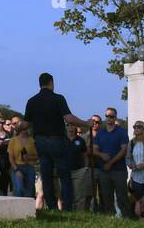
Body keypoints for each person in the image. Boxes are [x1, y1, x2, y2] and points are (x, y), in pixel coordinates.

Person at [23, 73, 93, 212]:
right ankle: (67, 207)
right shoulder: (58, 98)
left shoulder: (32, 101)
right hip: (57, 140)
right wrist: (86, 123)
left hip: (41, 141)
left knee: (47, 175)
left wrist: (17, 127)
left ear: (40, 84)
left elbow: (25, 124)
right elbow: (69, 118)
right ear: (51, 83)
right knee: (64, 174)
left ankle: (52, 207)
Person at [92, 107, 132, 217]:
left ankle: (126, 217)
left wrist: (110, 163)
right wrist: (101, 155)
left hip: (118, 170)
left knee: (122, 196)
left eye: (111, 116)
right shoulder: (100, 133)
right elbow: (94, 149)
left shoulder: (121, 132)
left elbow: (124, 150)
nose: (109, 118)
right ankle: (110, 217)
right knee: (106, 196)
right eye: (107, 116)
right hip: (103, 170)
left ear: (115, 117)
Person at [8, 120, 39, 198]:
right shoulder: (13, 140)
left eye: (27, 129)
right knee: (19, 189)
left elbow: (37, 156)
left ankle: (29, 209)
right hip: (17, 167)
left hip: (29, 167)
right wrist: (16, 170)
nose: (25, 131)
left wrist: (29, 157)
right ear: (20, 130)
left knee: (30, 191)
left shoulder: (32, 141)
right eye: (23, 129)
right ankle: (18, 209)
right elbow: (10, 156)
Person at [68, 122, 93, 211]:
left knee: (79, 195)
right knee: (65, 194)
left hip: (79, 171)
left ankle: (80, 214)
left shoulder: (80, 140)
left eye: (72, 125)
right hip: (65, 171)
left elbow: (85, 155)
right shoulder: (62, 139)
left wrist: (86, 168)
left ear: (75, 127)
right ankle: (66, 213)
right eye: (68, 125)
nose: (70, 127)